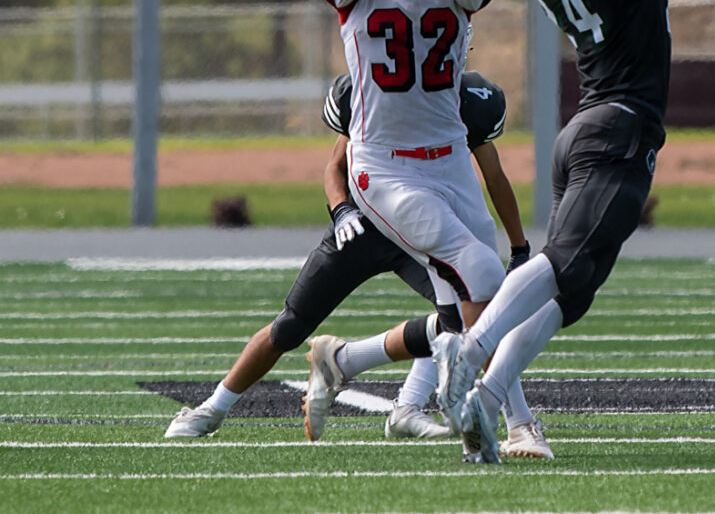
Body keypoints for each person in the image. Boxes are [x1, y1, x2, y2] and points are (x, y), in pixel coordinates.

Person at [431, 0, 671, 464]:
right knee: (560, 265)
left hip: (588, 128)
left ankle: (491, 401)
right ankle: (469, 352)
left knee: (571, 294)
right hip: (618, 128)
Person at [300, 0, 547, 460]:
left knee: (461, 310)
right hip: (386, 171)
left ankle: (347, 362)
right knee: (487, 274)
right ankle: (490, 416)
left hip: (449, 160)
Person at [163, 69, 533, 441]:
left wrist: (519, 246)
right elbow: (336, 166)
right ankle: (212, 407)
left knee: (464, 317)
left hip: (423, 224)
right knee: (291, 325)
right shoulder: (370, 86)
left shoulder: (467, 97)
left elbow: (495, 176)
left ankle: (404, 401)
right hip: (365, 221)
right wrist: (342, 209)